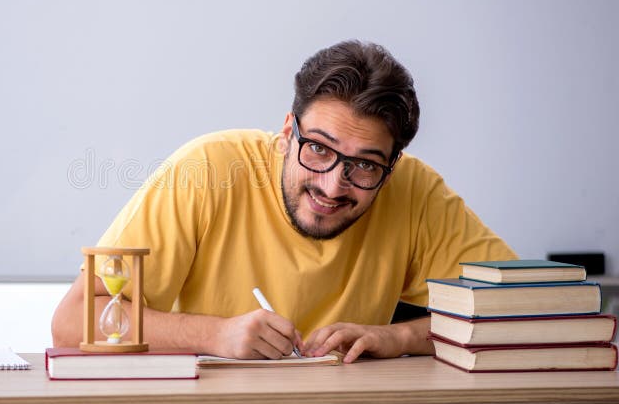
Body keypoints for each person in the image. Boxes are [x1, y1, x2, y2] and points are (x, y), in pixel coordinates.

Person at [52, 40, 517, 363]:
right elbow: (73, 321)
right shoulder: (206, 170)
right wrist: (216, 334)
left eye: (366, 166)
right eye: (318, 148)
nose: (334, 186)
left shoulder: (415, 191)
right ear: (286, 133)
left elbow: (525, 310)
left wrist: (398, 337)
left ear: (391, 167)